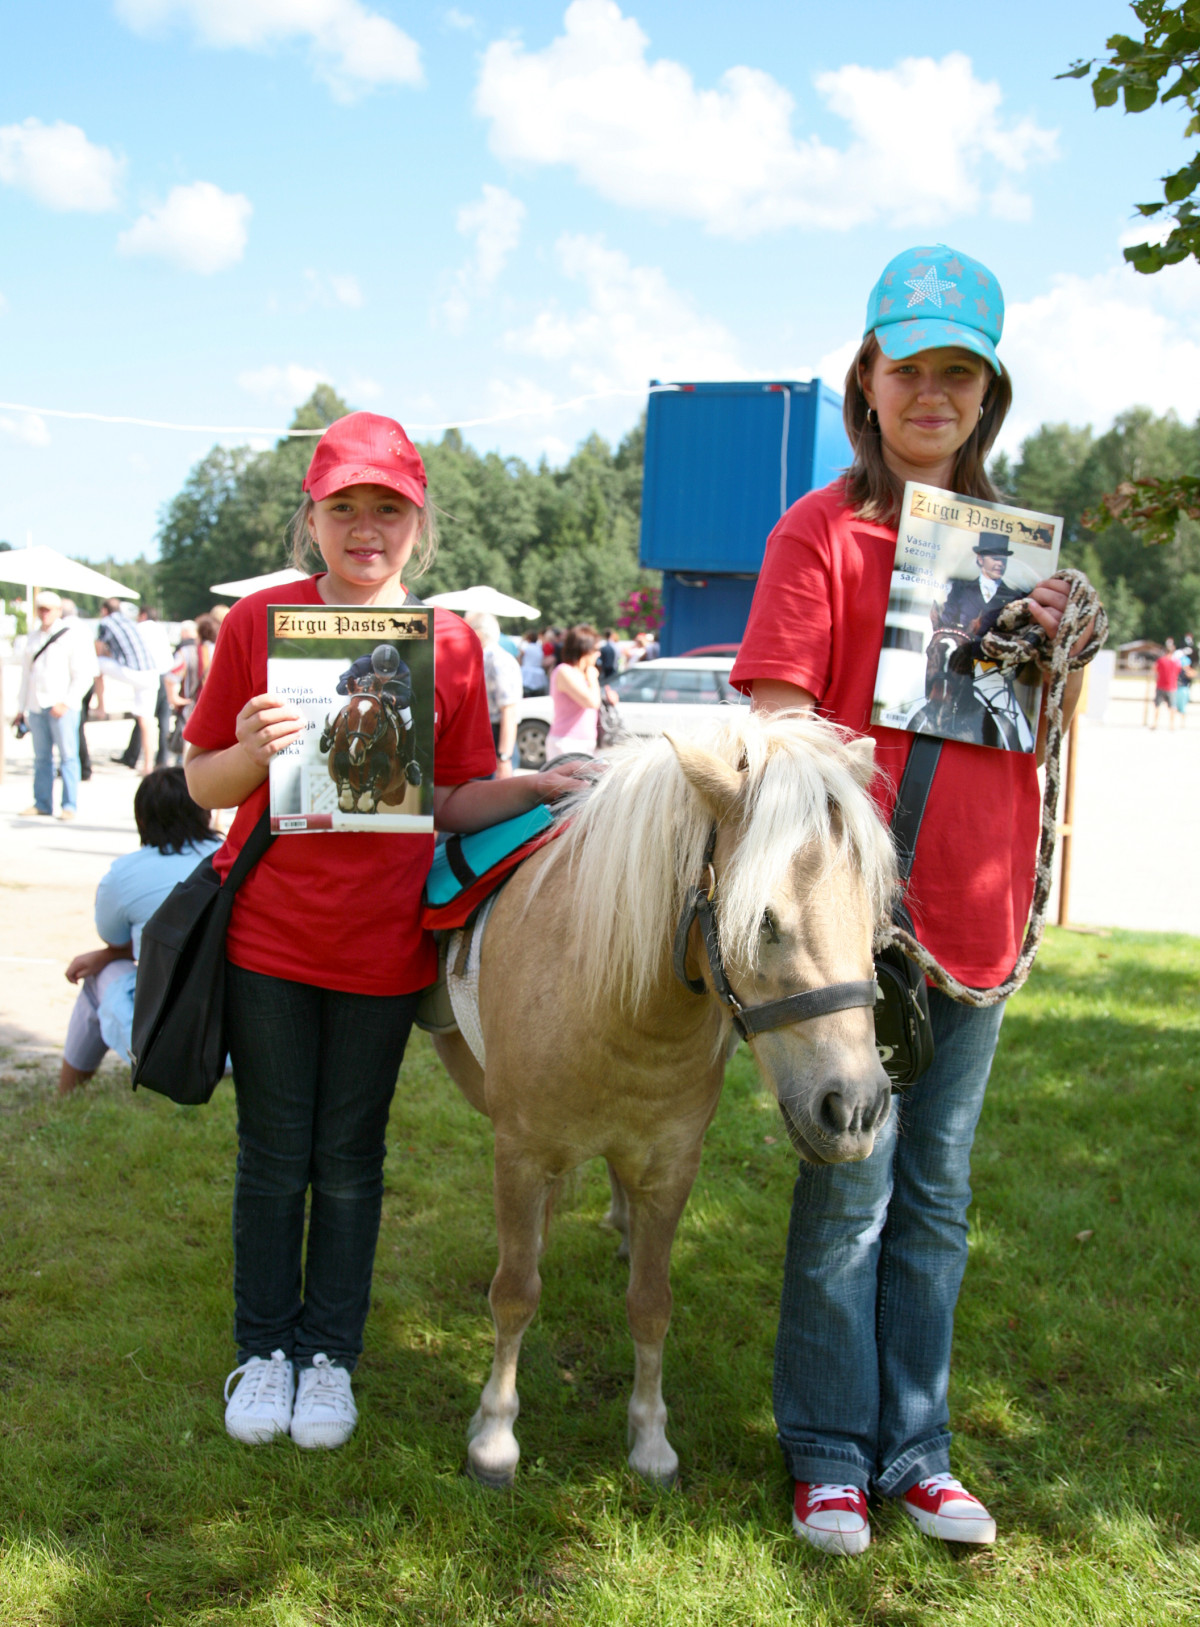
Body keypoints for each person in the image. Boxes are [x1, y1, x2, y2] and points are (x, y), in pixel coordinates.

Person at [730, 243, 1097, 1556]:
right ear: (867, 381)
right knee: (853, 1184)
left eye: (959, 373)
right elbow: (778, 724)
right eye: (910, 368)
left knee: (936, 1191)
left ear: (988, 396)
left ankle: (919, 1449)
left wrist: (1058, 643)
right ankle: (830, 1452)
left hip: (980, 919)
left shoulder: (1020, 553)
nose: (932, 393)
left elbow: (1029, 737)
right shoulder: (819, 532)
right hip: (861, 927)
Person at [182, 411, 585, 1453]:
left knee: (352, 1156)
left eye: (388, 509)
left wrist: (532, 786)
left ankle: (329, 1358)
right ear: (311, 518)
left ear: (420, 523)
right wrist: (251, 748)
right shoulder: (258, 622)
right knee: (275, 1153)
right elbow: (201, 782)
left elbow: (446, 797)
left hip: (381, 944)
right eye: (345, 508)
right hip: (269, 936)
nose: (366, 529)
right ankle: (264, 1350)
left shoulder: (449, 643)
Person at [59, 767, 221, 1096]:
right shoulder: (232, 858)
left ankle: (65, 1096)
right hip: (236, 1029)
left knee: (97, 981)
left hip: (167, 1038)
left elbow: (116, 938)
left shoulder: (123, 875)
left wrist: (108, 955)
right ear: (205, 811)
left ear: (142, 820)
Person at [15, 590, 98, 821]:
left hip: (62, 706)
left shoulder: (71, 636)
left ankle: (69, 805)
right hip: (36, 704)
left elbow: (84, 675)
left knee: (68, 756)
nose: (44, 613)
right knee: (41, 758)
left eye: (48, 609)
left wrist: (67, 702)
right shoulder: (33, 637)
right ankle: (42, 802)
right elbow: (26, 676)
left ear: (58, 611)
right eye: (40, 609)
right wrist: (21, 708)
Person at [94, 598, 159, 776]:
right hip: (151, 673)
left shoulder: (106, 623)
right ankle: (148, 765)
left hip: (133, 672)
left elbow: (98, 649)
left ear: (105, 610)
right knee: (147, 721)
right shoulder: (129, 622)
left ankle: (100, 707)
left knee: (96, 664)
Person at [466, 611, 523, 777]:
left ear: (478, 634)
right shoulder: (486, 658)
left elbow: (509, 711)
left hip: (495, 739)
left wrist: (504, 758)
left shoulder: (497, 660)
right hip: (488, 738)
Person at [545, 623, 610, 761]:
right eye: (595, 650)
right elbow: (592, 702)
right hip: (567, 742)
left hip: (586, 742)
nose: (598, 654)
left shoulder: (583, 673)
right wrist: (593, 678)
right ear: (584, 649)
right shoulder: (564, 671)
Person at [1152, 639, 1180, 731]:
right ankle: (1172, 725)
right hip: (1172, 686)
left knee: (1157, 705)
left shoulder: (1160, 660)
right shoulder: (1176, 662)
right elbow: (1178, 672)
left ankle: (1155, 723)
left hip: (1160, 685)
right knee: (1172, 706)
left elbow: (1155, 670)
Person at [520, 629, 548, 695]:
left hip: (527, 673)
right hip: (539, 673)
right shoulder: (539, 648)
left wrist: (522, 641)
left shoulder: (526, 647)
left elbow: (519, 655)